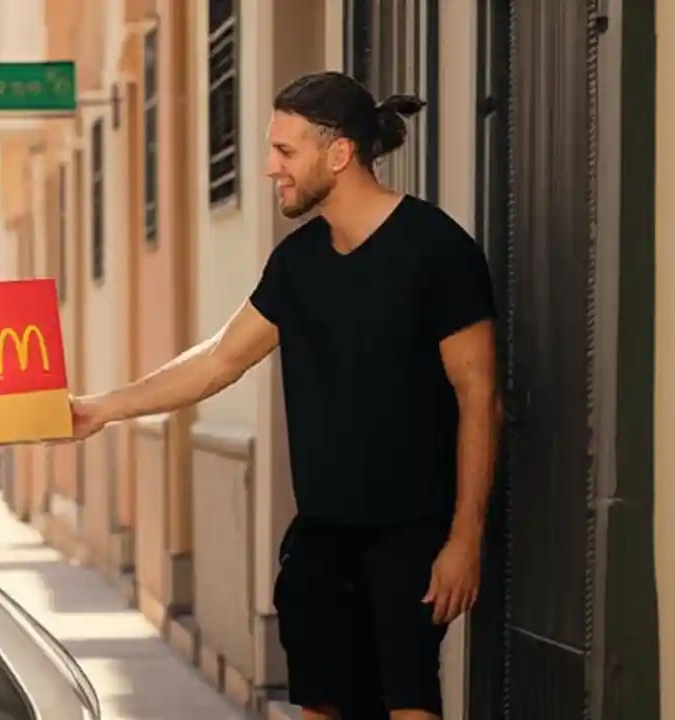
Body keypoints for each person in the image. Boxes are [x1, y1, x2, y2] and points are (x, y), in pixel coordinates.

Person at [67, 71, 501, 720]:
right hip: (321, 536)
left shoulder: (435, 248)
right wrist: (102, 408)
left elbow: (480, 397)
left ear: (339, 153)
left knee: (410, 704)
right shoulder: (297, 263)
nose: (271, 169)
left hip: (411, 532)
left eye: (285, 152)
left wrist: (465, 537)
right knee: (320, 708)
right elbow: (219, 359)